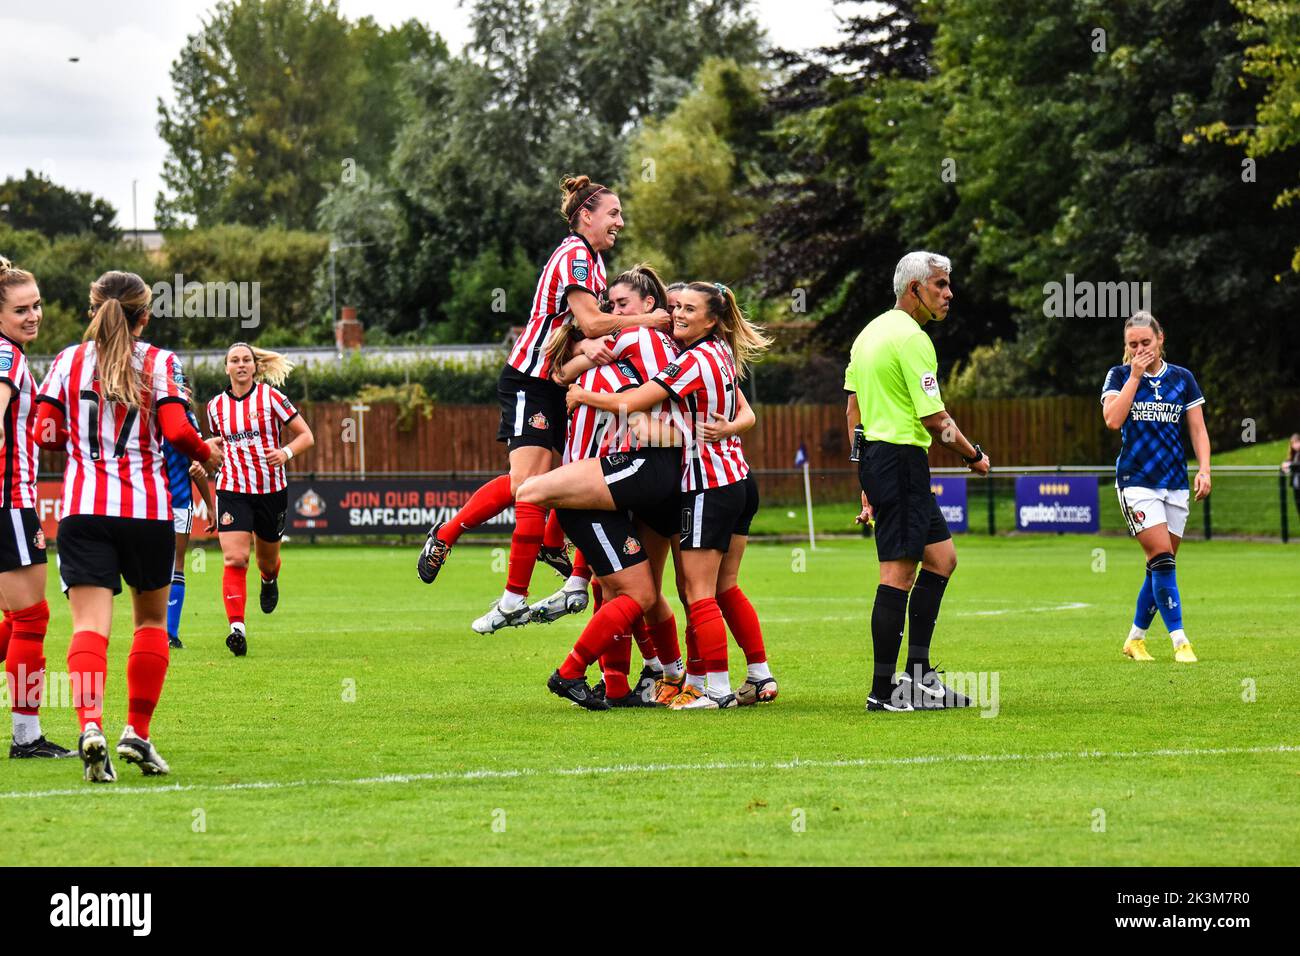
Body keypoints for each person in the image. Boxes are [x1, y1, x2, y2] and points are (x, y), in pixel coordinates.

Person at [416, 175, 670, 636]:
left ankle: (559, 565)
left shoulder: (592, 261)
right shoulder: (575, 254)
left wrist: (582, 353)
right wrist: (647, 319)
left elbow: (580, 329)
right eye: (613, 214)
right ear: (586, 216)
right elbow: (591, 322)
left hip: (555, 381)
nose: (621, 222)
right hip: (530, 381)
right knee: (528, 484)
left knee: (565, 477)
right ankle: (460, 544)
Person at [34, 270, 222, 782]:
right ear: (146, 314)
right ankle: (136, 731)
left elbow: (44, 432)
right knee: (151, 624)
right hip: (146, 511)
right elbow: (180, 431)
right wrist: (210, 455)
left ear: (92, 308)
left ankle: (90, 725)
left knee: (89, 627)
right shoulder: (161, 362)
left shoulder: (68, 361)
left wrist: (81, 443)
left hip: (82, 510)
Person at [564, 282, 770, 709]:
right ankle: (758, 676)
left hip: (706, 485)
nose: (676, 314)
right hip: (739, 479)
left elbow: (638, 398)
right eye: (675, 306)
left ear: (712, 320)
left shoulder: (693, 360)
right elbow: (744, 412)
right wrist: (729, 428)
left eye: (687, 309)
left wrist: (584, 394)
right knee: (723, 587)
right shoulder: (722, 354)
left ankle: (709, 690)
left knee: (697, 593)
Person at [526, 264, 687, 703]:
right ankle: (672, 677)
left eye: (622, 305)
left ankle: (640, 678)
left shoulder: (639, 344)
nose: (614, 313)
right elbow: (654, 399)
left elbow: (655, 399)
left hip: (632, 478)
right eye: (609, 307)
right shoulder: (642, 341)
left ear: (650, 304)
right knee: (649, 592)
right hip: (614, 479)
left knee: (630, 591)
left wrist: (584, 380)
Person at [845, 251, 990, 713]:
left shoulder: (869, 333)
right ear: (915, 290)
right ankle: (884, 691)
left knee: (942, 559)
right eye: (941, 285)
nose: (949, 294)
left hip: (881, 459)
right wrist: (974, 455)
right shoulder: (912, 339)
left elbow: (853, 411)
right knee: (898, 574)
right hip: (901, 460)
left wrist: (863, 471)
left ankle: (920, 677)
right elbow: (934, 418)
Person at [1102, 311, 1210, 663]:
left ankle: (1135, 639)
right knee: (1162, 559)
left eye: (1145, 343)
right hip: (1136, 482)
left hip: (1175, 483)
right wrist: (1134, 375)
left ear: (1160, 339)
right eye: (1133, 344)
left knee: (1159, 564)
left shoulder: (1182, 378)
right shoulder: (1119, 375)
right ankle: (1181, 641)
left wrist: (1204, 469)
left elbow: (1197, 429)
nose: (1140, 349)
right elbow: (1113, 419)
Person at [0, 258, 71, 758]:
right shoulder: (7, 358)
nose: (33, 316)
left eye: (37, 305)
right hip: (8, 503)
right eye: (21, 309)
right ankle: (26, 737)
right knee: (31, 618)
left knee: (16, 617)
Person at [205, 343, 313, 657]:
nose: (240, 365)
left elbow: (306, 435)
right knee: (235, 559)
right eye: (234, 361)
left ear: (255, 367)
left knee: (266, 560)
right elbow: (220, 440)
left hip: (270, 490)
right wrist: (206, 452)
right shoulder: (215, 407)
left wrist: (286, 452)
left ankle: (269, 578)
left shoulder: (272, 398)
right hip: (232, 489)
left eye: (246, 360)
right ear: (226, 368)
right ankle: (236, 629)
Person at [161, 406, 215, 649]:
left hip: (174, 500)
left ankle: (168, 633)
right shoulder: (179, 414)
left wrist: (210, 505)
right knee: (166, 564)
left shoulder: (183, 415)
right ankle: (162, 632)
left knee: (170, 564)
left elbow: (198, 466)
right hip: (157, 500)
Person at [1283, 433, 1300, 522]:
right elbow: (1287, 464)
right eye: (1293, 443)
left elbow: (1295, 465)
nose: (1295, 445)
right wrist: (1285, 465)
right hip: (1296, 486)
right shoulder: (1293, 455)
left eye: (1297, 442)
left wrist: (1290, 465)